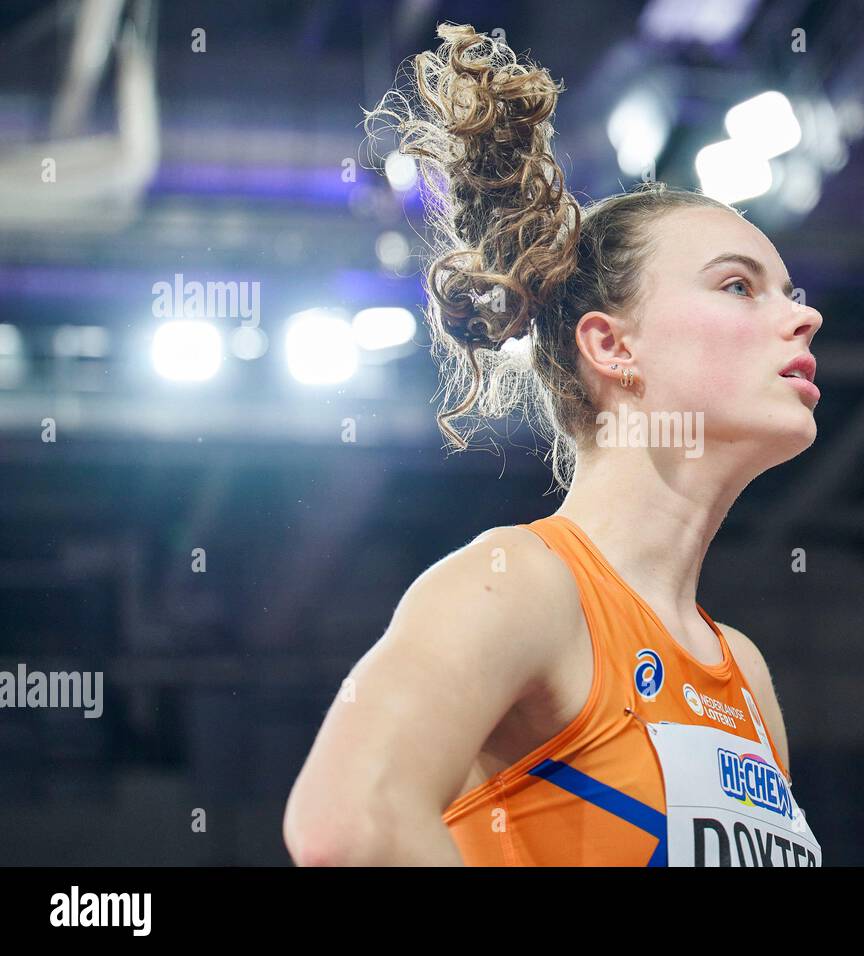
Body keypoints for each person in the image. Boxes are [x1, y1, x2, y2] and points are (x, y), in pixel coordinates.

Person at [283, 22, 824, 866]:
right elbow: (350, 824)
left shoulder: (744, 675)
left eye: (791, 291)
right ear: (613, 348)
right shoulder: (523, 586)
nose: (803, 315)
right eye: (737, 286)